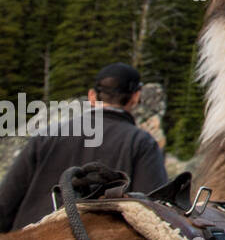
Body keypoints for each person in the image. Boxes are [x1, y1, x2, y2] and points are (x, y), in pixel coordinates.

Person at [0, 63, 168, 231]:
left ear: (92, 96)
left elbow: (5, 204)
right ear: (136, 97)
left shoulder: (46, 136)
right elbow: (154, 212)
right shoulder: (142, 143)